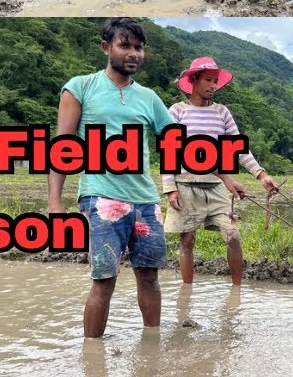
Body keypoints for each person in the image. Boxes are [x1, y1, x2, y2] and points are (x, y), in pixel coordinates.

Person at [48, 17, 175, 336]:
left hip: (146, 202)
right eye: (125, 45)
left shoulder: (148, 97)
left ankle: (151, 348)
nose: (134, 53)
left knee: (150, 278)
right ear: (107, 47)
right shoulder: (80, 87)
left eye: (139, 47)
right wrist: (54, 203)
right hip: (101, 198)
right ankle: (92, 355)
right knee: (103, 281)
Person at [162, 57, 280, 287]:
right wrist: (170, 188)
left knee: (233, 236)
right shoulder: (177, 111)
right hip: (185, 185)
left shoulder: (222, 112)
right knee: (187, 241)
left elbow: (238, 147)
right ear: (193, 80)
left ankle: (237, 292)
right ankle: (186, 294)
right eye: (208, 80)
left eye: (216, 81)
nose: (213, 86)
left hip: (216, 188)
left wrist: (262, 175)